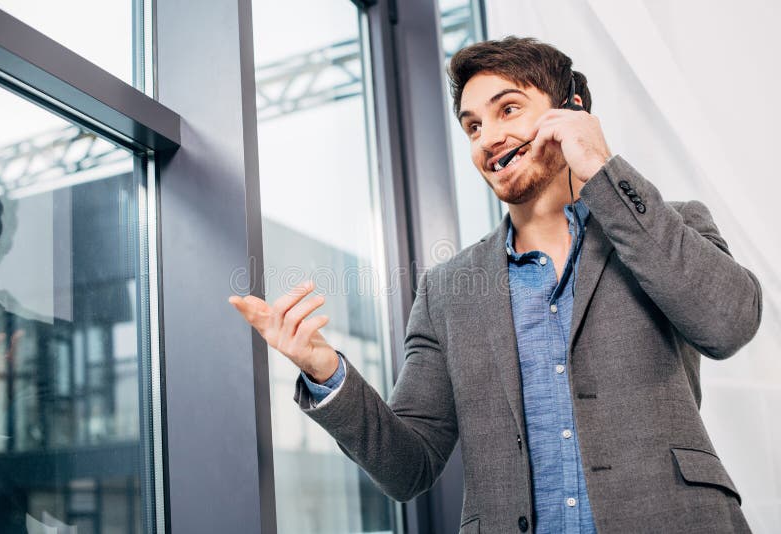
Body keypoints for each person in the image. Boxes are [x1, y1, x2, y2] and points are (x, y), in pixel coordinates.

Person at [230, 36, 761, 533]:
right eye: (473, 126)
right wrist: (324, 371)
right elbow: (407, 467)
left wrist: (600, 166)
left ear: (571, 110)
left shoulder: (667, 225)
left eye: (507, 110)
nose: (488, 138)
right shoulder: (447, 290)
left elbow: (728, 324)